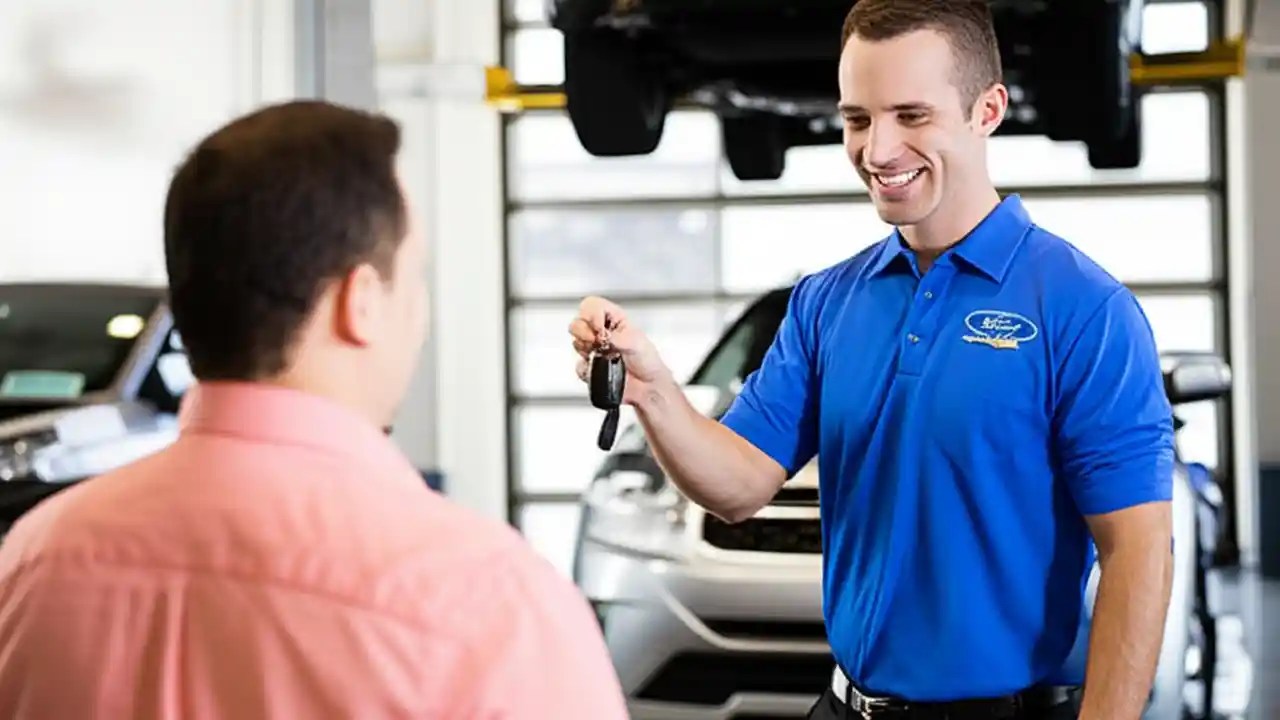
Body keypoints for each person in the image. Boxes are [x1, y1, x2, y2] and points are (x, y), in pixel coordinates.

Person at [569, 2, 1175, 719]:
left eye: (911, 116)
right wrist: (653, 390)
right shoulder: (826, 302)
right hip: (845, 705)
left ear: (988, 111)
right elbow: (736, 486)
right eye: (858, 119)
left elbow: (1138, 552)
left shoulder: (1084, 309)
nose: (877, 150)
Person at [0, 100, 628, 720]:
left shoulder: (33, 563)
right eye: (413, 277)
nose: (421, 311)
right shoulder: (490, 601)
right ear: (359, 303)